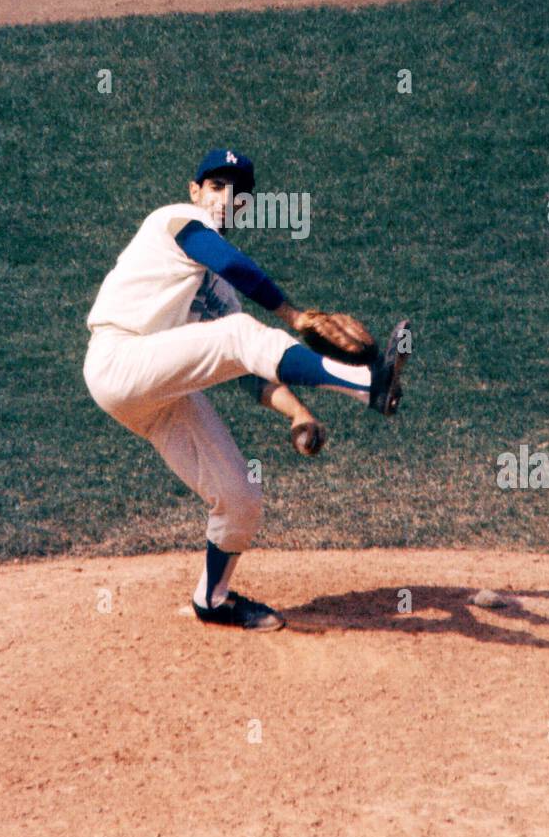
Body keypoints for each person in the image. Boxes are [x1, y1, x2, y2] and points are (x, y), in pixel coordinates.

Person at [83, 148, 408, 632]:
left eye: (235, 195)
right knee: (239, 334)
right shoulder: (175, 220)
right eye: (215, 186)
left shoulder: (220, 293)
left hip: (156, 397)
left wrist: (297, 414)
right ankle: (368, 385)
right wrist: (292, 315)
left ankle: (211, 600)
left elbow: (249, 368)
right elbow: (228, 262)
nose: (223, 199)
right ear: (195, 191)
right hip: (116, 361)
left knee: (240, 496)